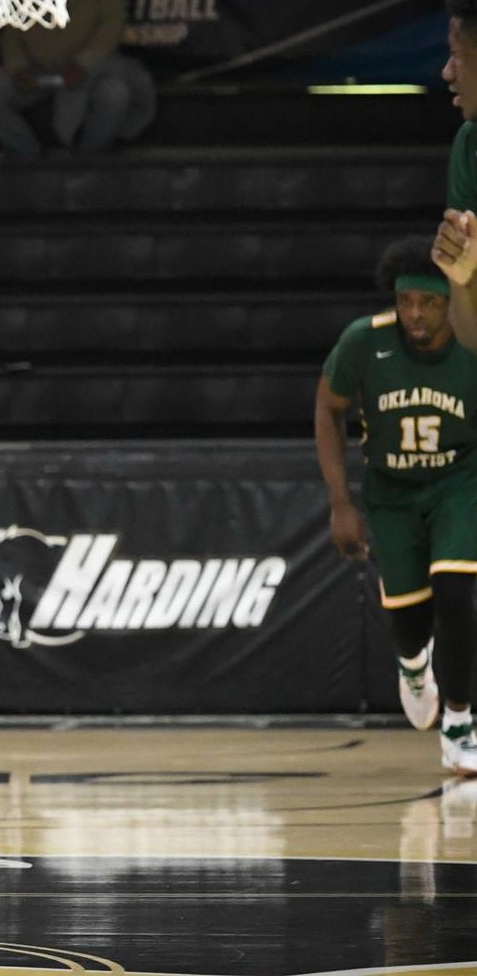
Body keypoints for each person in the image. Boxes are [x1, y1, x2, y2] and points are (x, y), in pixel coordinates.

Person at [316, 237, 477, 775]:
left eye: (428, 303)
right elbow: (328, 405)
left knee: (456, 588)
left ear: (451, 302)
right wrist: (340, 502)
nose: (414, 313)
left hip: (459, 482)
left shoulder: (473, 341)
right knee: (408, 620)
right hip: (392, 493)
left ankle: (459, 722)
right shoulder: (365, 341)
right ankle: (413, 667)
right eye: (406, 300)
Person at [0, 0, 154, 159]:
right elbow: (10, 31)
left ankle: (87, 159)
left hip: (94, 70)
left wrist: (83, 64)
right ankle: (29, 156)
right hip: (37, 70)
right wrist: (18, 68)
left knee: (115, 94)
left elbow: (112, 26)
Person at [434, 0, 477, 351]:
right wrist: (462, 280)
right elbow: (472, 337)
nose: (447, 73)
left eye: (457, 56)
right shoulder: (469, 144)